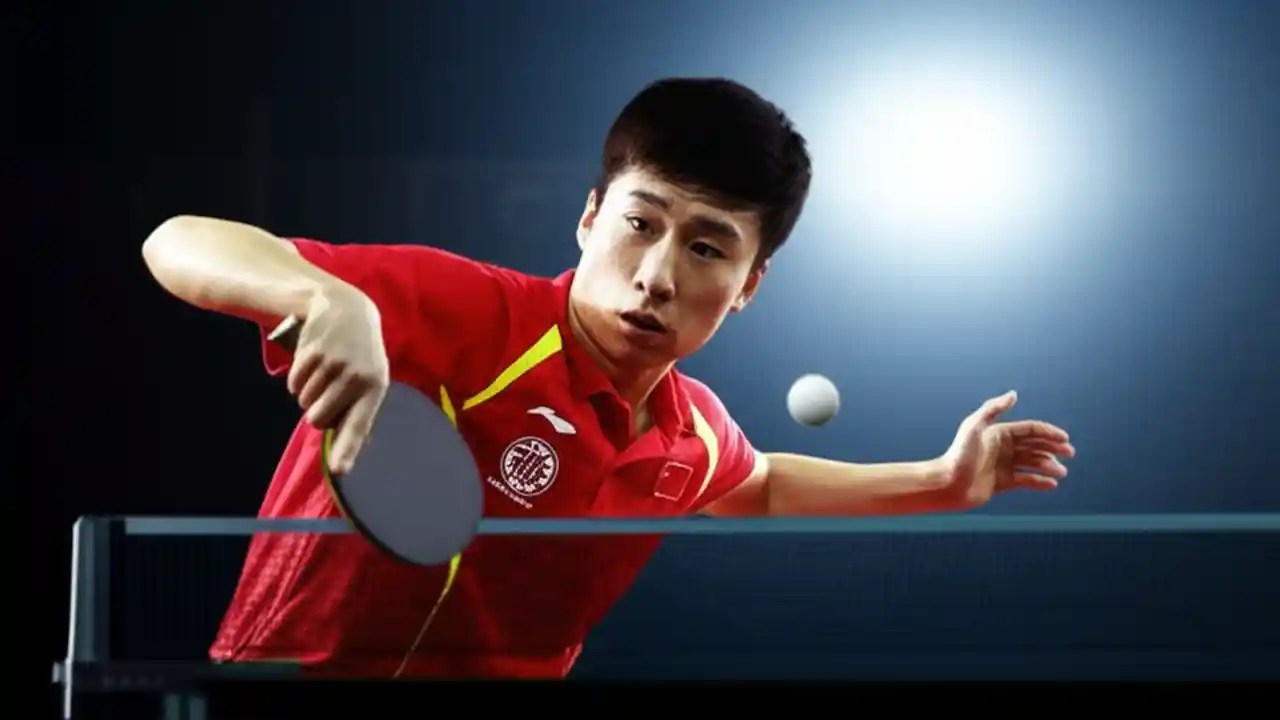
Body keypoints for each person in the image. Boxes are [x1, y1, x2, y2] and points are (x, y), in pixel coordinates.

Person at [141, 77, 1074, 679]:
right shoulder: (478, 316)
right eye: (640, 224)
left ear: (749, 285)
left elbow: (759, 484)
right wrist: (322, 297)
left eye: (706, 248)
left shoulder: (689, 432)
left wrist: (941, 482)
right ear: (589, 218)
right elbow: (178, 240)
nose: (658, 275)